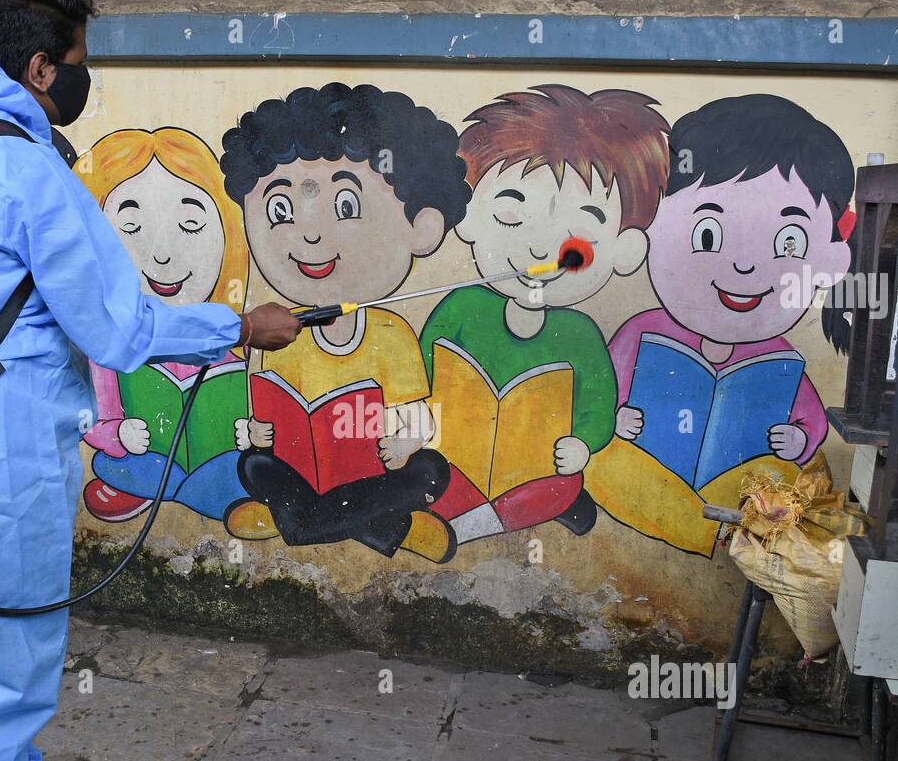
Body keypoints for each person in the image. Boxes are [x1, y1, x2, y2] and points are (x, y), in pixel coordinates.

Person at [0, 0, 299, 761]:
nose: (84, 78)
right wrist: (239, 325)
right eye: (77, 63)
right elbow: (118, 327)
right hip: (2, 457)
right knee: (15, 645)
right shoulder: (26, 172)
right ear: (39, 69)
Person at [586, 93, 854, 555]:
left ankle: (703, 526)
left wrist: (799, 440)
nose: (746, 266)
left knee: (785, 481)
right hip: (653, 468)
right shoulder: (641, 333)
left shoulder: (782, 357)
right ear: (652, 227)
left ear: (830, 258)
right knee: (602, 464)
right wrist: (615, 417)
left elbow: (809, 417)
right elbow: (604, 388)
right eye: (708, 234)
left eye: (788, 241)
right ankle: (714, 533)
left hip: (734, 474)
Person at [220, 82, 469, 562]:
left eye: (346, 206)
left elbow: (416, 416)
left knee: (430, 470)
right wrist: (255, 432)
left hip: (370, 470)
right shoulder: (279, 329)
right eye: (280, 209)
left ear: (422, 228)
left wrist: (406, 442)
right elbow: (265, 414)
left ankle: (293, 523)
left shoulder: (391, 335)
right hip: (304, 469)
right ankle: (392, 530)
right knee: (254, 464)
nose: (311, 233)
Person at [421, 86, 669, 546]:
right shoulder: (461, 307)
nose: (539, 250)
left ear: (625, 249)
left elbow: (599, 401)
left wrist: (583, 444)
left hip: (536, 469)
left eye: (579, 235)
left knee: (562, 486)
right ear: (468, 216)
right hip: (456, 456)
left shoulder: (578, 334)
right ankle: (463, 516)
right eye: (511, 215)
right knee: (425, 472)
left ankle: (473, 527)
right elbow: (422, 372)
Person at [78, 127, 252, 524]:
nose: (160, 255)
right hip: (145, 457)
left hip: (215, 458)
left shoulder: (229, 347)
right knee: (127, 464)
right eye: (130, 228)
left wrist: (247, 431)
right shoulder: (101, 346)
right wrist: (118, 435)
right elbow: (89, 418)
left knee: (236, 466)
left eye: (191, 225)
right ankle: (194, 493)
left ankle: (186, 489)